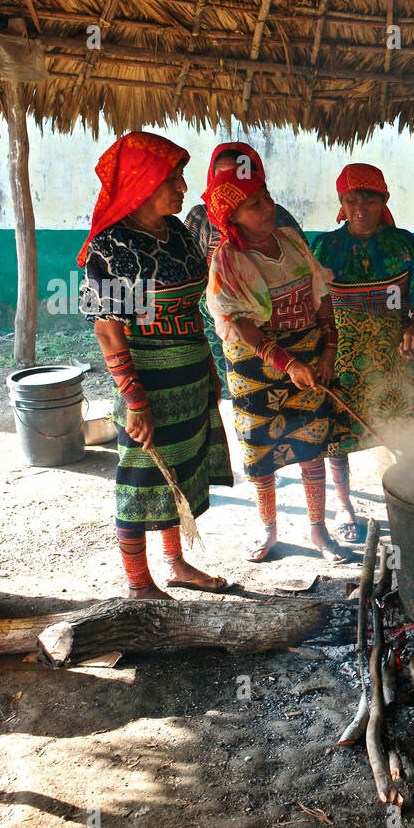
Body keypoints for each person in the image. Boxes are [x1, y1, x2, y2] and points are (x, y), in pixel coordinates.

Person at [78, 132, 233, 600]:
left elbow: (193, 307)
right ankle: (139, 584)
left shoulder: (179, 235)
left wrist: (207, 365)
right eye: (173, 178)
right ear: (143, 182)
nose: (183, 187)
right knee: (140, 479)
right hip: (147, 386)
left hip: (187, 377)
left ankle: (175, 562)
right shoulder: (112, 248)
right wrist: (134, 399)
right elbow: (108, 330)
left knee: (179, 473)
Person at [203, 142, 348, 564]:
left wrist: (328, 348)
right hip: (256, 366)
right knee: (260, 449)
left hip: (308, 353)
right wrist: (287, 362)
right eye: (253, 204)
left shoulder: (290, 240)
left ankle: (319, 531)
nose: (267, 208)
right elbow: (242, 325)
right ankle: (268, 529)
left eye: (265, 197)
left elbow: (320, 292)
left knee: (311, 442)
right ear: (232, 218)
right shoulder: (227, 261)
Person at [310, 164, 414, 543]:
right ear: (341, 203)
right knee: (337, 431)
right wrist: (323, 350)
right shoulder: (325, 247)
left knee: (409, 428)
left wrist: (413, 326)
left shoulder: (402, 243)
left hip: (395, 356)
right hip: (341, 355)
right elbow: (316, 303)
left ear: (384, 201)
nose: (360, 206)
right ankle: (344, 504)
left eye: (370, 198)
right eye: (352, 199)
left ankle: (410, 500)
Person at [185, 144, 308, 399]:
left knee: (278, 391)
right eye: (223, 176)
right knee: (232, 389)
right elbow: (190, 274)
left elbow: (305, 270)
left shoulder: (277, 218)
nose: (232, 183)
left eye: (242, 176)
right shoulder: (200, 218)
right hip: (218, 323)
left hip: (275, 327)